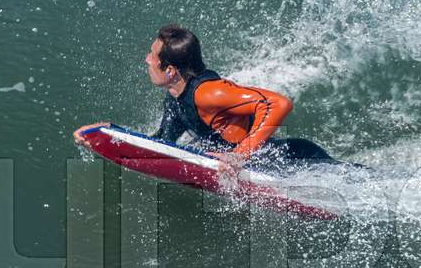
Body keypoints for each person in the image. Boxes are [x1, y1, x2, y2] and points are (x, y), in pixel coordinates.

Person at [73, 24, 336, 174]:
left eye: (152, 56)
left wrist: (239, 156)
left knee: (361, 181)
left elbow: (279, 103)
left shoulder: (207, 92)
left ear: (170, 70)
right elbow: (160, 145)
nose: (146, 59)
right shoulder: (175, 101)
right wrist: (107, 136)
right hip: (271, 167)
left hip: (295, 160)